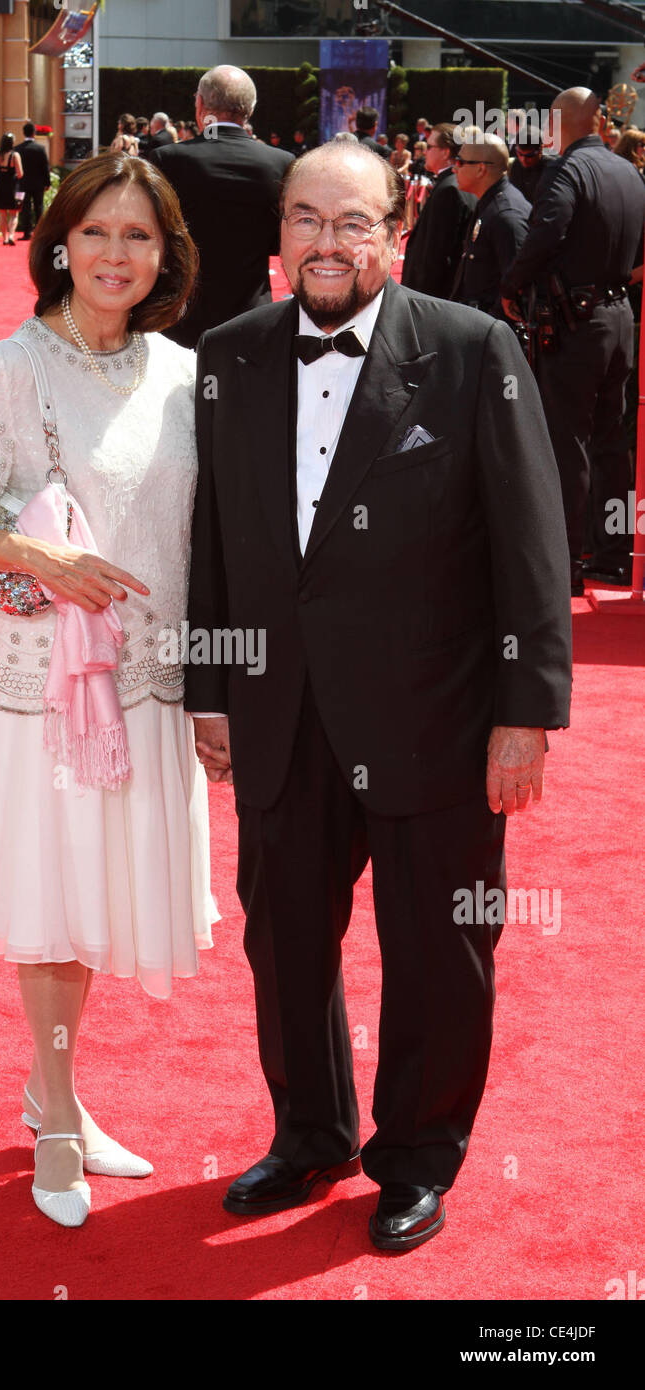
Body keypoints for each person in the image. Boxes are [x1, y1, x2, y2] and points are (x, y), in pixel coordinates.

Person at [185, 139, 572, 1251]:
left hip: (435, 713)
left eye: (351, 221)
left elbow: (530, 545)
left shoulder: (469, 349)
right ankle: (309, 1133)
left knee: (439, 949)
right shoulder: (230, 354)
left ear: (394, 235)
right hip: (281, 712)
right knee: (284, 941)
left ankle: (414, 1156)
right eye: (305, 218)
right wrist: (209, 685)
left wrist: (524, 711)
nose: (326, 240)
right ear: (277, 235)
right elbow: (214, 537)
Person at [0, 151, 215, 1229]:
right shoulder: (9, 367)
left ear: (166, 255)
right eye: (97, 233)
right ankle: (61, 1116)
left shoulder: (180, 374)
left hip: (149, 686)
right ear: (58, 243)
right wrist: (43, 565)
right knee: (55, 914)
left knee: (98, 909)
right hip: (47, 699)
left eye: (139, 237)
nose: (116, 255)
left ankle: (49, 1086)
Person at [501, 87, 645, 591]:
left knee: (567, 441)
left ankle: (565, 565)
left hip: (577, 321)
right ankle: (613, 554)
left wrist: (512, 284)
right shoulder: (629, 171)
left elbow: (547, 231)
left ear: (562, 123)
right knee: (612, 441)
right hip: (621, 317)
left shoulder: (567, 170)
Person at [148, 64, 293, 349]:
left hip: (179, 319)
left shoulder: (167, 159)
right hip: (251, 317)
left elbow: (148, 235)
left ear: (200, 104)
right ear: (250, 109)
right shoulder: (282, 163)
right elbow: (284, 241)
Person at [450, 128, 530, 319]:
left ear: (480, 169)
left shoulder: (506, 215)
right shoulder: (490, 204)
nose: (454, 168)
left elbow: (517, 290)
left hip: (490, 331)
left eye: (460, 162)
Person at [401, 122, 476, 299]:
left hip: (433, 296)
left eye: (430, 147)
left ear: (446, 152)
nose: (425, 152)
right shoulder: (453, 183)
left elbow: (436, 254)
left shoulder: (449, 189)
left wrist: (419, 298)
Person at [508, 114, 558, 206]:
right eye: (520, 154)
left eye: (530, 156)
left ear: (541, 149)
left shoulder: (552, 168)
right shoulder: (515, 165)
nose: (524, 160)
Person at [16, 121, 50, 239]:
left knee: (25, 208)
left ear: (23, 133)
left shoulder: (18, 149)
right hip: (38, 183)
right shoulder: (40, 148)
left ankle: (27, 233)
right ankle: (40, 232)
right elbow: (45, 166)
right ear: (34, 133)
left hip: (23, 183)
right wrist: (47, 182)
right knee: (39, 207)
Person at [0, 132, 23, 245]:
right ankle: (12, 235)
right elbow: (20, 173)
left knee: (2, 214)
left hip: (0, 185)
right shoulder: (14, 155)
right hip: (12, 185)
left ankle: (4, 238)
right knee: (14, 213)